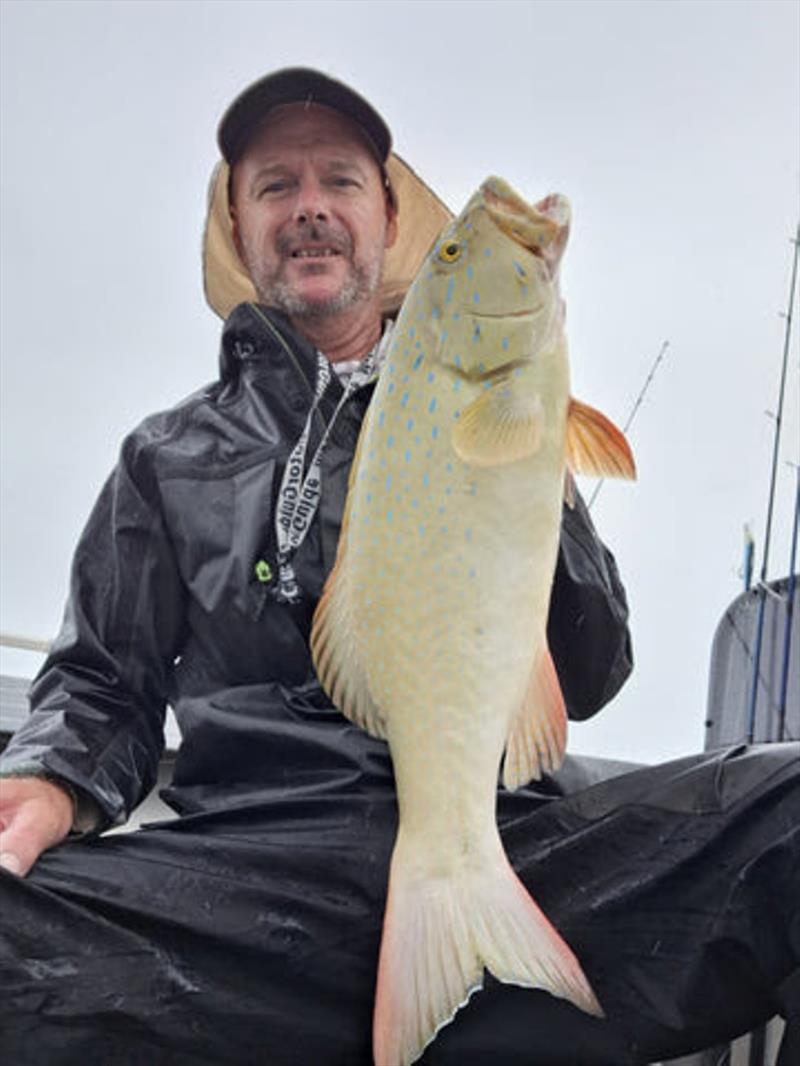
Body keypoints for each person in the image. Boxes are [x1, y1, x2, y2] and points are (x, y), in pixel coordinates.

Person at [0, 68, 797, 1066]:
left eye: (338, 179)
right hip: (245, 882)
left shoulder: (480, 401)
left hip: (513, 842)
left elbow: (591, 671)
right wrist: (46, 778)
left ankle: (467, 946)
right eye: (274, 186)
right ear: (239, 227)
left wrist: (537, 454)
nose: (310, 209)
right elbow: (101, 680)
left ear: (384, 217)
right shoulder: (163, 460)